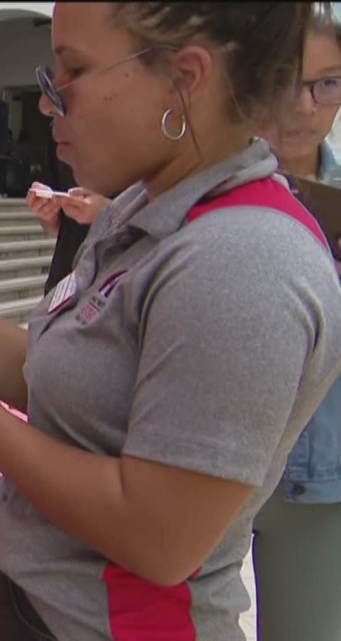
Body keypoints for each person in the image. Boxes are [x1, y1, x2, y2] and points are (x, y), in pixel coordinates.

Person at [0, 3, 341, 639]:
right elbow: (51, 374)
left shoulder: (242, 259)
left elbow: (159, 537)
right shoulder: (143, 207)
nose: (48, 103)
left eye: (73, 72)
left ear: (186, 79)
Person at [251, 7, 341, 640]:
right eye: (287, 80)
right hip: (207, 463)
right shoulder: (196, 192)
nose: (305, 105)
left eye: (327, 83)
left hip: (314, 477)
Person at [26, 183, 108, 293]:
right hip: (61, 284)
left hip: (108, 284)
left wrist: (108, 211)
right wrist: (47, 211)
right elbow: (57, 228)